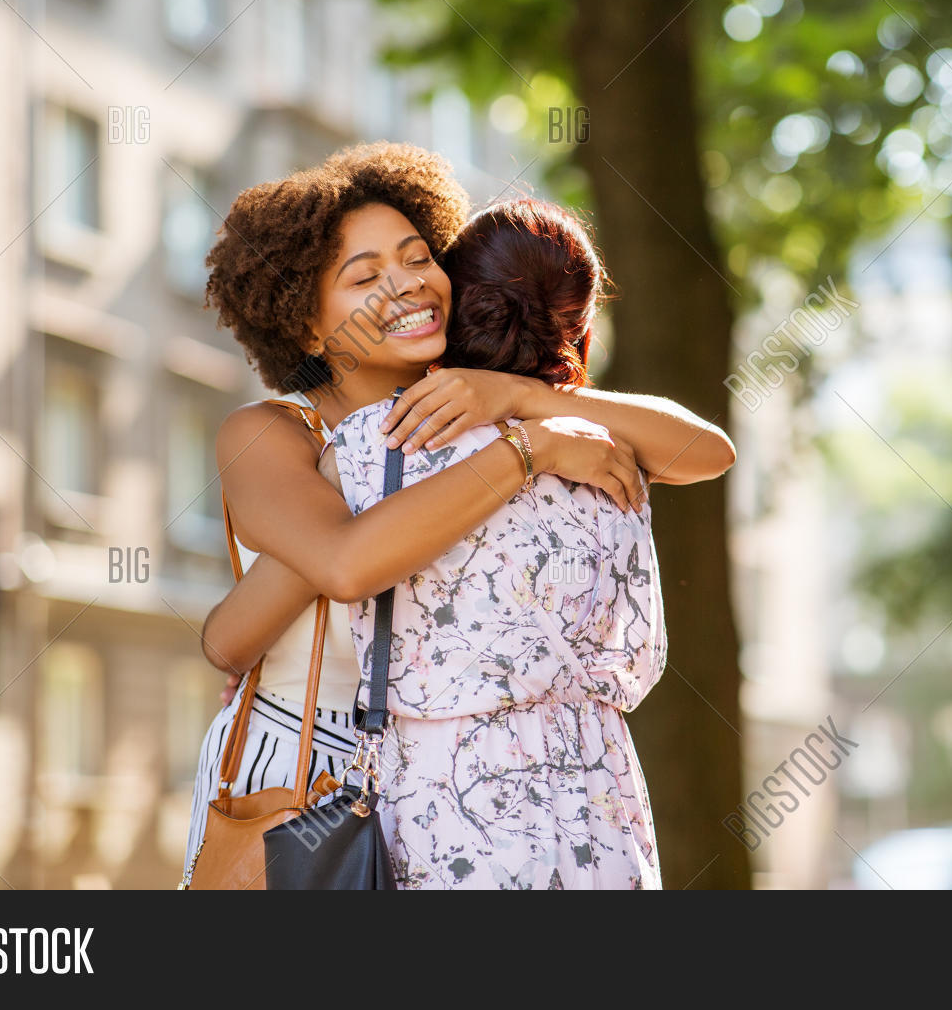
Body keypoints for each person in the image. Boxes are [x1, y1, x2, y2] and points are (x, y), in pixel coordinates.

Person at [185, 142, 733, 886]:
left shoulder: (479, 402)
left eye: (417, 258)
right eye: (365, 276)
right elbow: (342, 567)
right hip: (305, 769)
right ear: (309, 328)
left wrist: (523, 399)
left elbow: (703, 450)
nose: (407, 286)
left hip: (451, 775)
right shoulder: (271, 433)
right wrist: (528, 449)